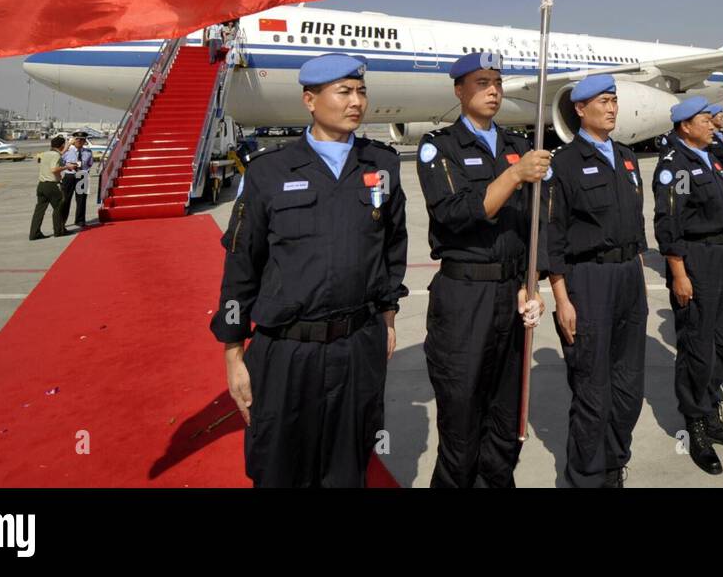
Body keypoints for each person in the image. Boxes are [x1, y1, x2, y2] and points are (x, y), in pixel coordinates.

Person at [210, 53, 408, 487]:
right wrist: (233, 354)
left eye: (361, 91)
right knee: (280, 469)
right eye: (343, 92)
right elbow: (241, 266)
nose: (356, 101)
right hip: (287, 352)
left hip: (358, 345)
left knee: (349, 467)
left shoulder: (382, 166)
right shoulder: (269, 171)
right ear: (310, 100)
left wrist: (388, 316)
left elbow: (393, 247)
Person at [417, 51, 547, 488]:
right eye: (481, 83)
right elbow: (455, 213)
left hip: (510, 295)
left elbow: (533, 223)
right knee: (461, 419)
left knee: (506, 415)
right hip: (464, 298)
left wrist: (532, 286)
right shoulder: (439, 146)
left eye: (497, 81)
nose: (493, 90)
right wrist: (513, 178)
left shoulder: (515, 145)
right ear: (459, 90)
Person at [542, 74, 647, 487]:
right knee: (592, 388)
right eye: (603, 101)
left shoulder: (627, 157)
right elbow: (553, 235)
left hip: (628, 278)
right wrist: (562, 299)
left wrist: (637, 273)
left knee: (628, 385)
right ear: (581, 109)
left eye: (614, 100)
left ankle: (612, 464)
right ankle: (585, 477)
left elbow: (635, 225)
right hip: (588, 281)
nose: (612, 108)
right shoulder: (563, 164)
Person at [653, 95, 723, 474]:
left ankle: (711, 410)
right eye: (705, 120)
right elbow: (669, 221)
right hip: (697, 259)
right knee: (697, 346)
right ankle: (695, 424)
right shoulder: (676, 166)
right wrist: (678, 271)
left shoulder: (710, 158)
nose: (712, 124)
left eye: (711, 119)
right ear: (685, 126)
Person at [29, 135, 69, 240]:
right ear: (61, 145)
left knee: (39, 210)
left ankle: (34, 233)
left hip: (41, 185)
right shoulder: (56, 155)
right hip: (52, 185)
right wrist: (67, 167)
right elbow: (54, 169)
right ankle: (58, 231)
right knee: (58, 208)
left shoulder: (44, 154)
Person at [61, 133, 94, 229]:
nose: (79, 142)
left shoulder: (88, 152)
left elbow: (90, 163)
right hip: (69, 176)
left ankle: (80, 220)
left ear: (84, 141)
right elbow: (59, 161)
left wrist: (84, 169)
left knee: (81, 200)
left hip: (82, 175)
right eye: (78, 140)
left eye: (82, 140)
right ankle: (62, 221)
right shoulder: (67, 151)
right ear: (74, 141)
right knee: (65, 200)